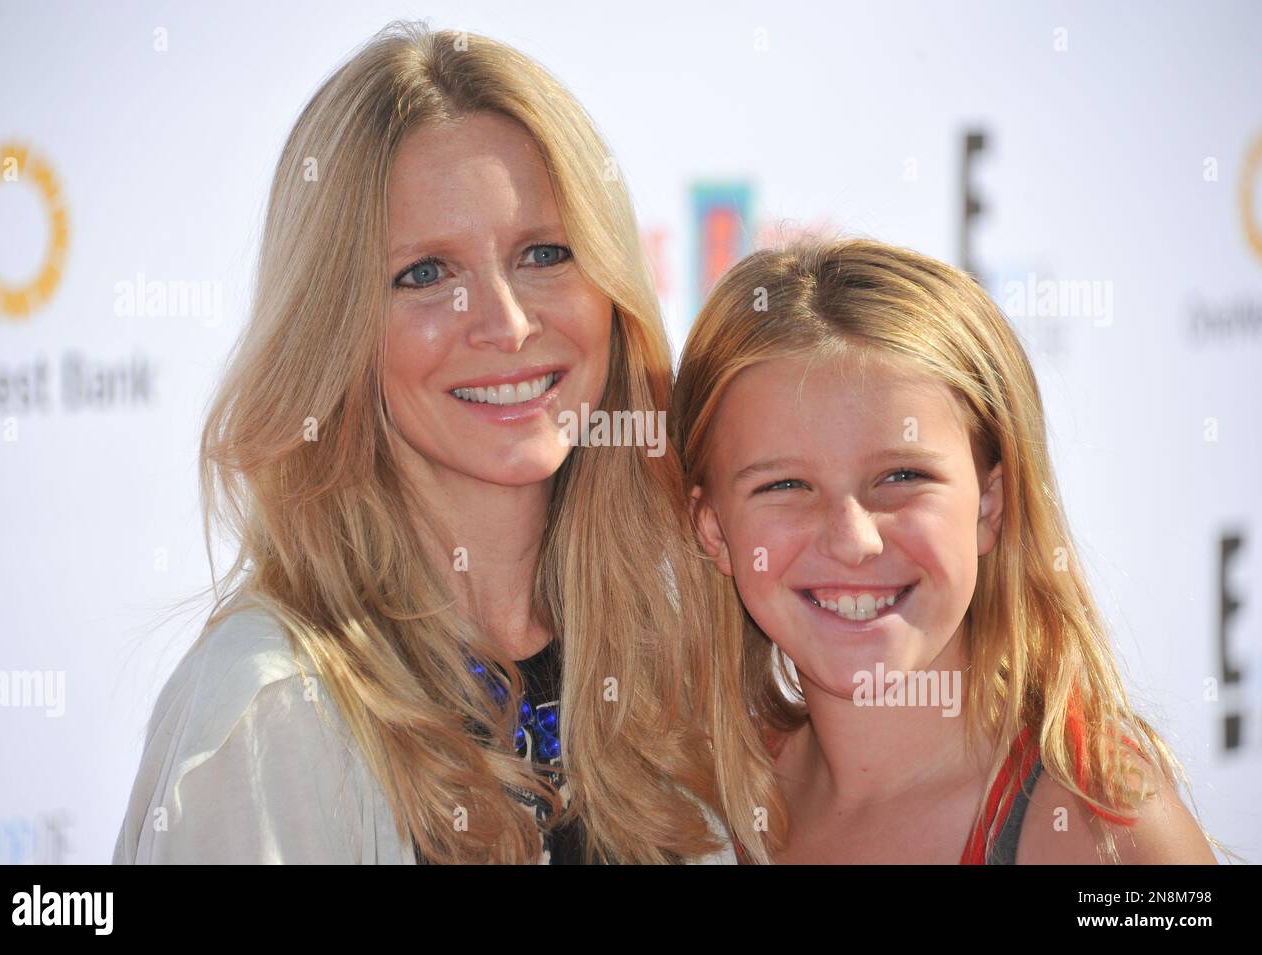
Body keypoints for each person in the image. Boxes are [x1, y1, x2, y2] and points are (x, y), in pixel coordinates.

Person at [113, 20, 770, 865]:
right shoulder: (270, 713)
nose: (505, 323)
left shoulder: (674, 665)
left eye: (545, 253)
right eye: (426, 273)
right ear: (335, 329)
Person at [672, 237, 1222, 863]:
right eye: (786, 485)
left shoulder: (1100, 832)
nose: (854, 540)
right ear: (713, 529)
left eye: (902, 476)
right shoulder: (697, 820)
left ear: (989, 504)